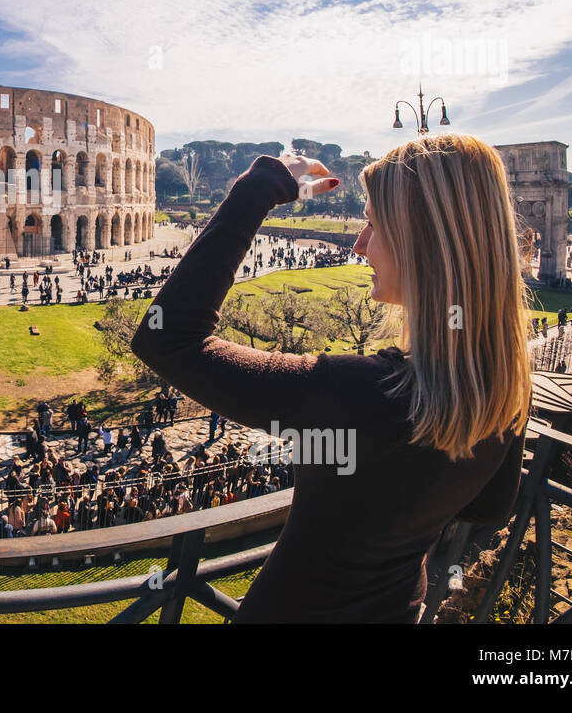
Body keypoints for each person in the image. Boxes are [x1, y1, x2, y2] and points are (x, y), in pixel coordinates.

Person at [130, 138, 531, 623]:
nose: (359, 243)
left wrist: (261, 186)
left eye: (374, 224)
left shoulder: (355, 393)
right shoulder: (505, 389)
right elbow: (490, 506)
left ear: (424, 245)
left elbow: (167, 338)